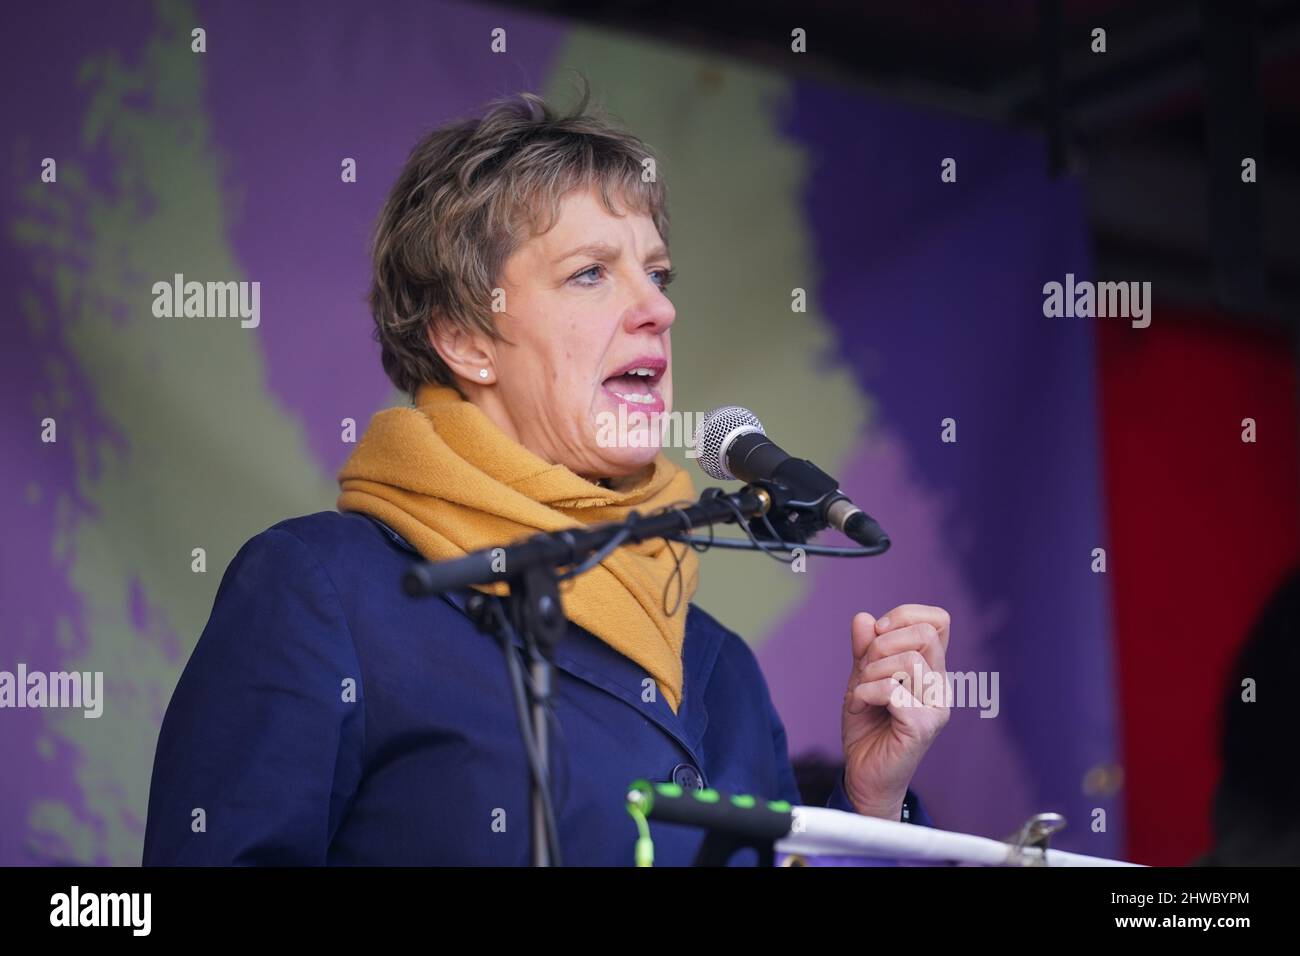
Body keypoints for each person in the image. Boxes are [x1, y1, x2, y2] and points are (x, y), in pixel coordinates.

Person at [142, 85, 953, 866]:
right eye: (591, 273)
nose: (658, 309)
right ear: (465, 337)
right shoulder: (323, 592)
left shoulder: (718, 665)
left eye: (658, 274)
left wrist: (869, 802)